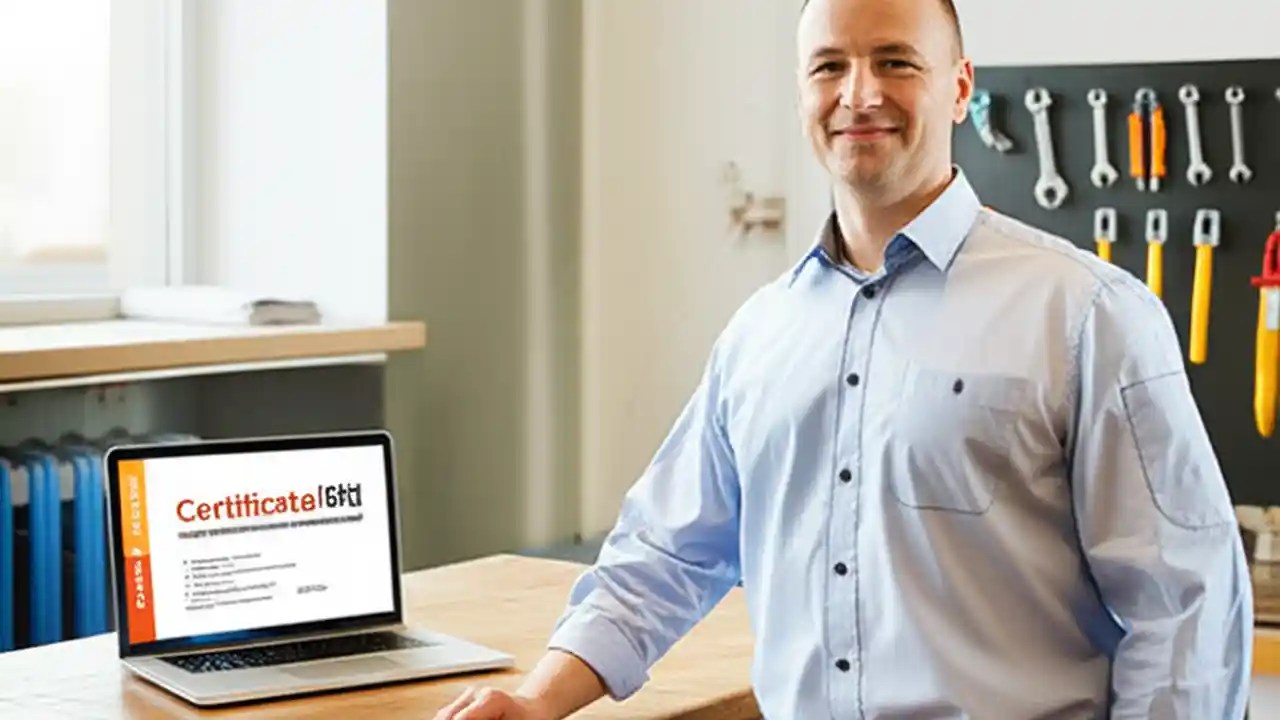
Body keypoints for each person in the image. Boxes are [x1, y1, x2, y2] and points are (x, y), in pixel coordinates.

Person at [434, 0, 1253, 716]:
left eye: (895, 61)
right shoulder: (760, 335)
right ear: (803, 94)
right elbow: (662, 554)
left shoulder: (1087, 314)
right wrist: (541, 697)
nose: (858, 94)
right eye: (829, 66)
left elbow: (1186, 606)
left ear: (961, 86)